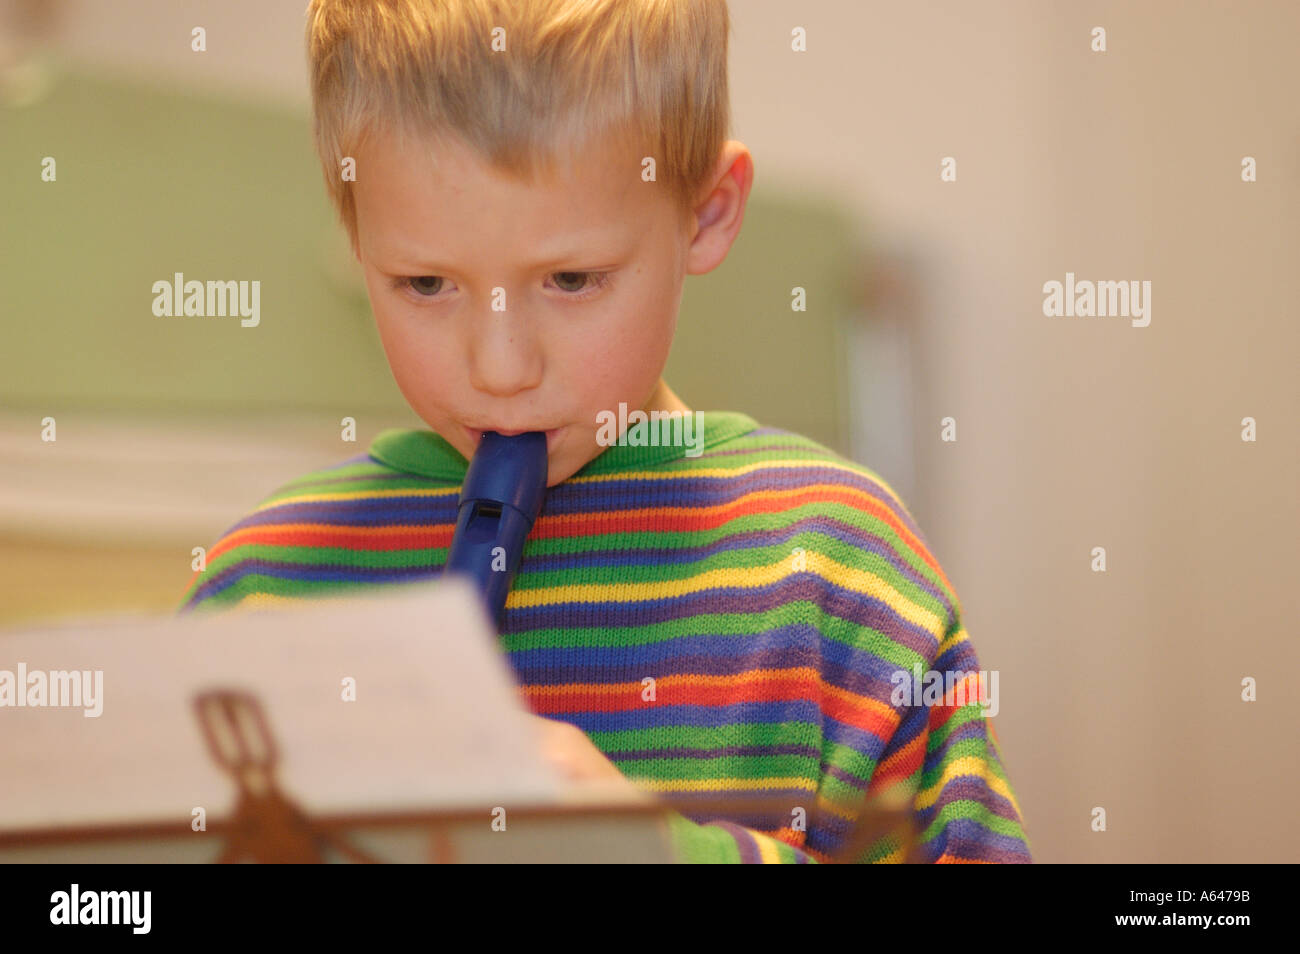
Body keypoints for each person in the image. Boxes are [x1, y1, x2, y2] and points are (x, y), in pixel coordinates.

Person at [180, 0, 1031, 863]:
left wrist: (655, 850)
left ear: (704, 212)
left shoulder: (842, 566)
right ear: (355, 231)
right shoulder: (261, 588)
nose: (501, 367)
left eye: (573, 277)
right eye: (427, 284)